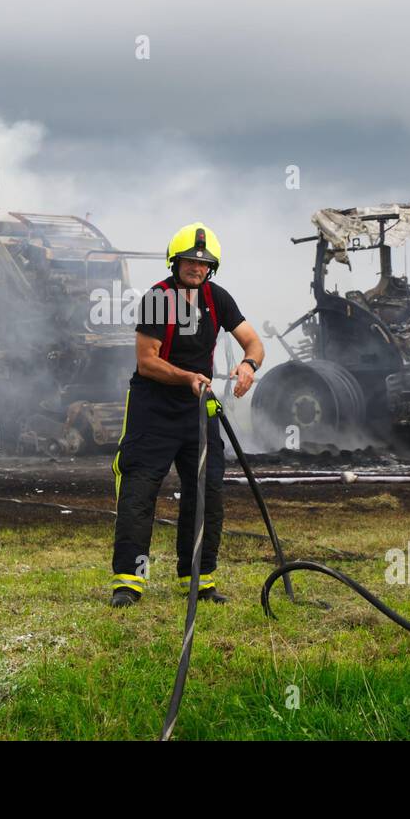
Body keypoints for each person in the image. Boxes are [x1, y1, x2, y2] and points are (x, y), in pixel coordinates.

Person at [109, 223, 266, 607]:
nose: (196, 267)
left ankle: (198, 580)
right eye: (189, 261)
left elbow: (254, 342)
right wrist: (188, 378)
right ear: (175, 262)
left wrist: (248, 366)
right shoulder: (157, 299)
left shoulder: (217, 298)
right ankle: (129, 582)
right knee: (139, 493)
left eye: (204, 262)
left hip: (198, 409)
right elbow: (147, 363)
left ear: (211, 268)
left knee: (206, 494)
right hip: (153, 410)